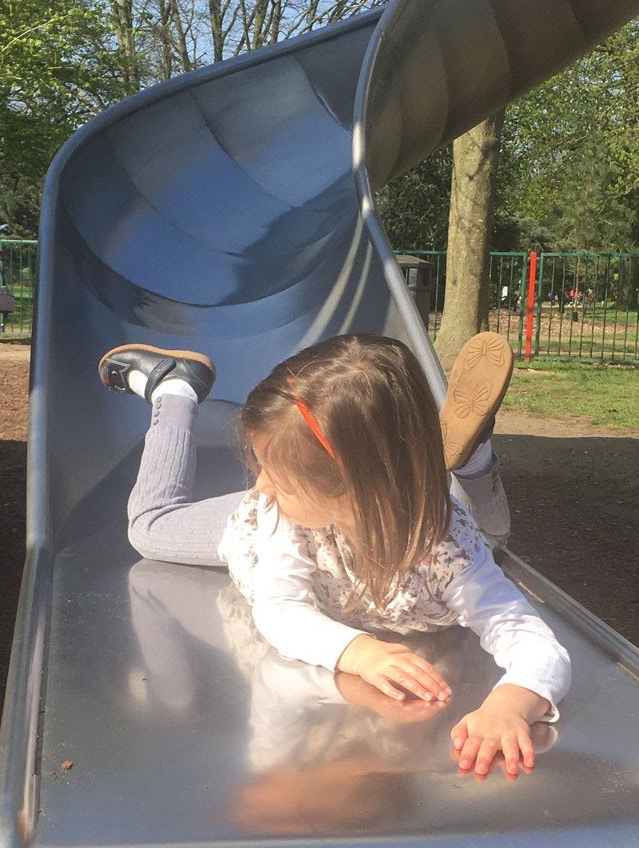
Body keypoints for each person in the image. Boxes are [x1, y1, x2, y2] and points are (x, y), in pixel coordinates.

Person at [98, 331, 570, 778]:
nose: (259, 486)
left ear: (354, 492)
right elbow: (280, 611)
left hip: (402, 518)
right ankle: (175, 388)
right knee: (150, 526)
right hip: (317, 522)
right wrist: (356, 650)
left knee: (483, 545)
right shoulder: (280, 518)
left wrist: (512, 700)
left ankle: (463, 463)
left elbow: (531, 639)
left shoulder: (445, 548)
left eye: (277, 479)